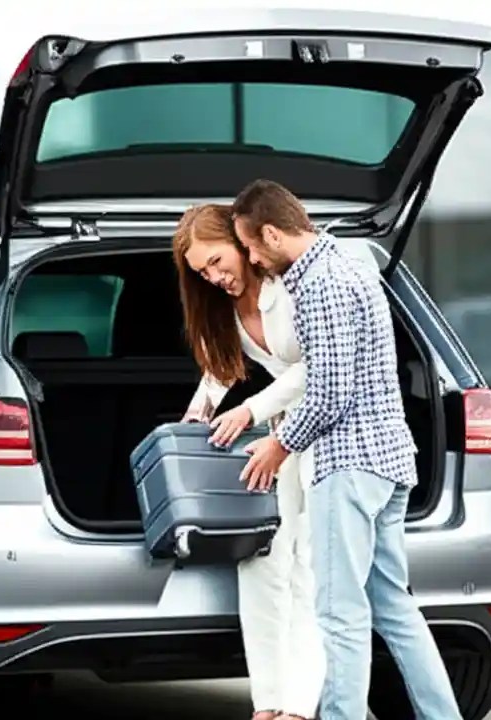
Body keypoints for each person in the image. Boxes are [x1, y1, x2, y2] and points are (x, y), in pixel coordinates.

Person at [229, 179, 463, 720]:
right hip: (390, 462)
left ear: (270, 232)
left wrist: (278, 446)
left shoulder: (317, 285)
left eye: (250, 246)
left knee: (338, 614)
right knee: (394, 608)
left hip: (350, 466)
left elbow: (331, 390)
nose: (251, 259)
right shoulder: (353, 260)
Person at [172, 204, 326, 720]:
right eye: (202, 273)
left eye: (217, 261)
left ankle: (299, 708)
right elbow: (217, 371)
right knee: (260, 563)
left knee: (309, 570)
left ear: (243, 244)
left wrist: (252, 409)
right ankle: (267, 704)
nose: (215, 278)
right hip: (280, 438)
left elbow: (321, 367)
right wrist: (194, 423)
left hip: (327, 434)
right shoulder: (222, 306)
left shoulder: (293, 284)